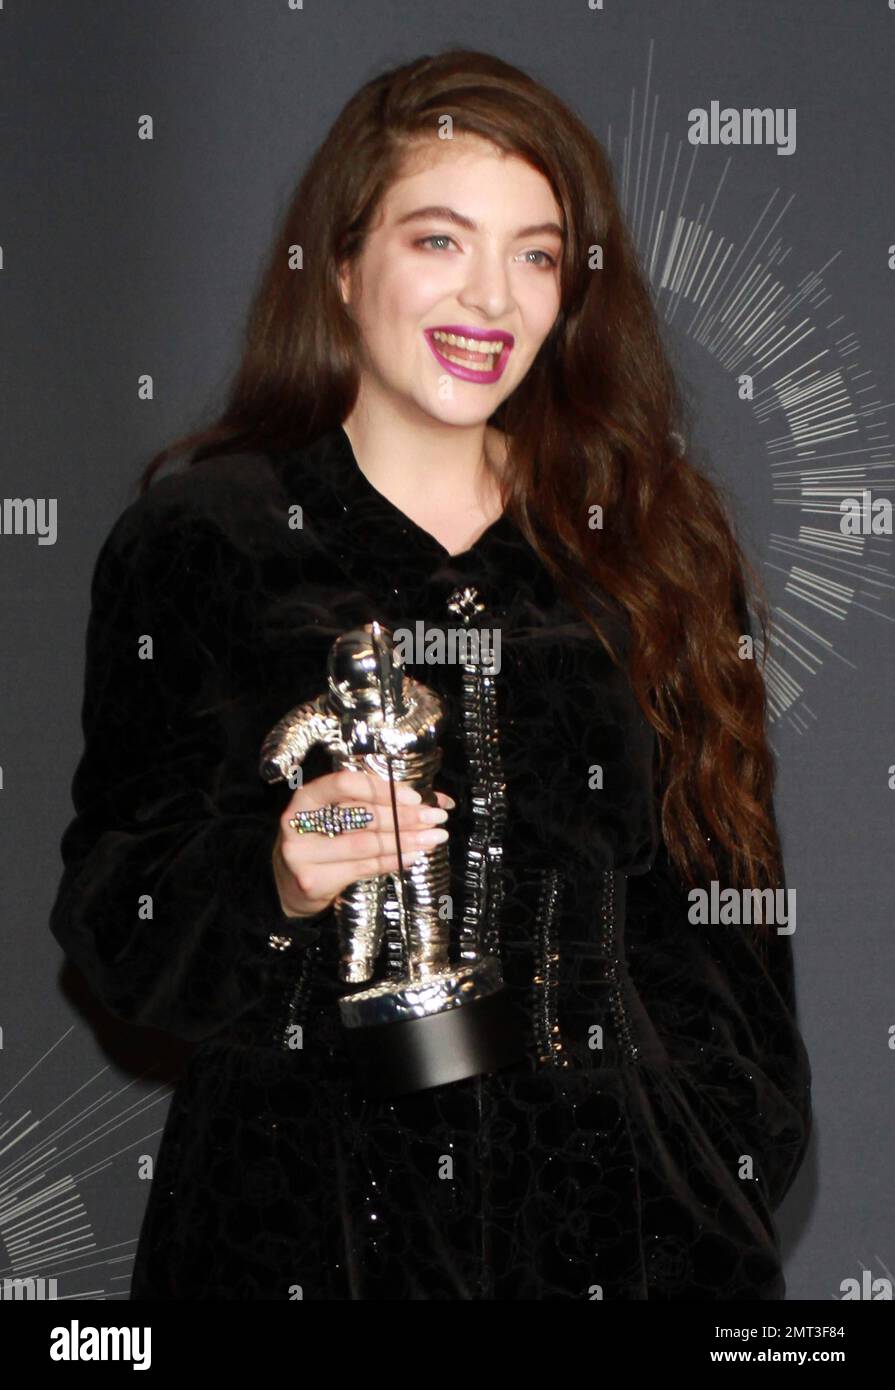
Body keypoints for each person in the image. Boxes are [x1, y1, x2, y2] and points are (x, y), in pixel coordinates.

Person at [49, 48, 812, 1300]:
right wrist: (278, 874)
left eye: (536, 254)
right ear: (343, 266)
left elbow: (725, 917)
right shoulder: (206, 541)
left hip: (623, 1242)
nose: (491, 298)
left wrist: (713, 1156)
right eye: (440, 240)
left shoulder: (651, 546)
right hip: (295, 1234)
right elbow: (116, 917)